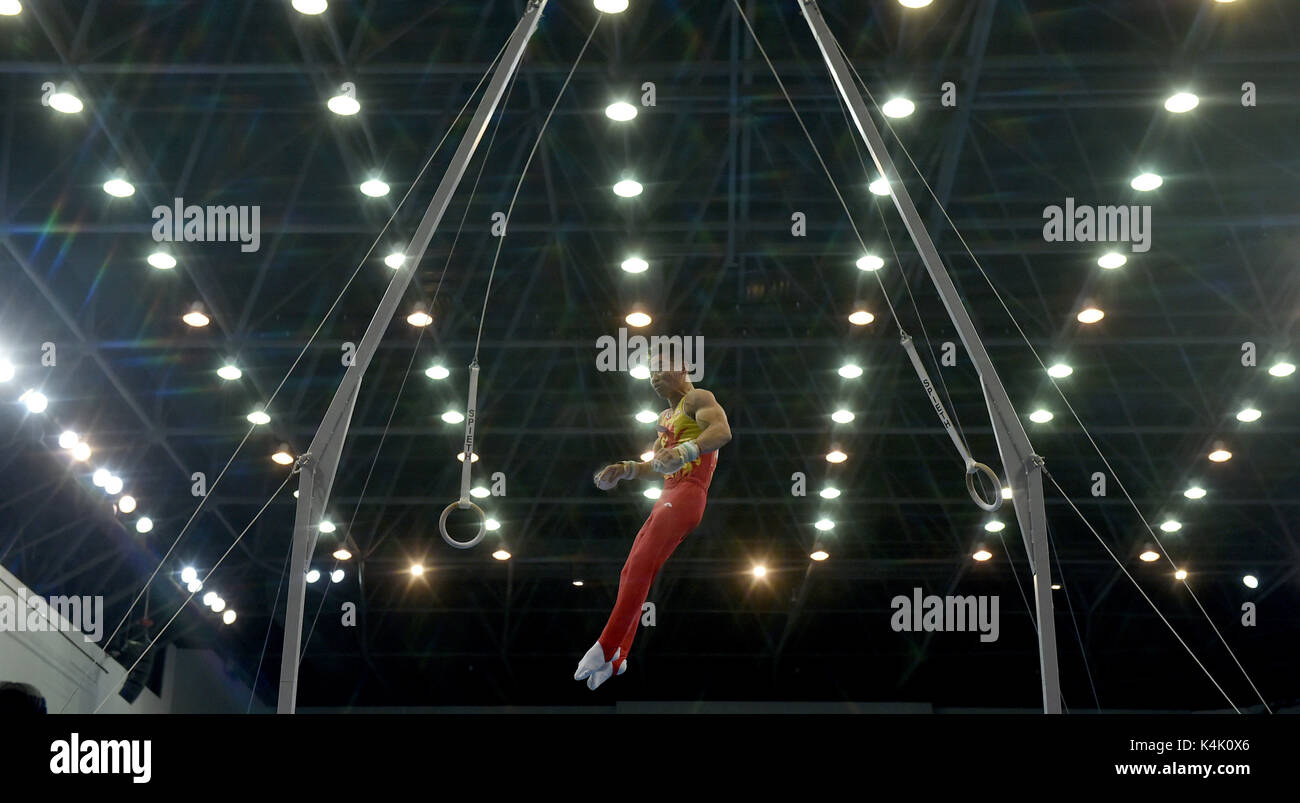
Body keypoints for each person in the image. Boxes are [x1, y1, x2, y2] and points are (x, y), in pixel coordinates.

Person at [576, 352, 731, 690]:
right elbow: (657, 464)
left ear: (683, 368)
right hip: (668, 494)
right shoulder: (664, 416)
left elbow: (722, 431)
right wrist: (627, 469)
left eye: (661, 370)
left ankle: (604, 645)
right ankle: (618, 658)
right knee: (631, 570)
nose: (654, 377)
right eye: (651, 373)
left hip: (688, 493)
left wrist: (686, 452)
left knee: (643, 564)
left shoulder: (697, 399)